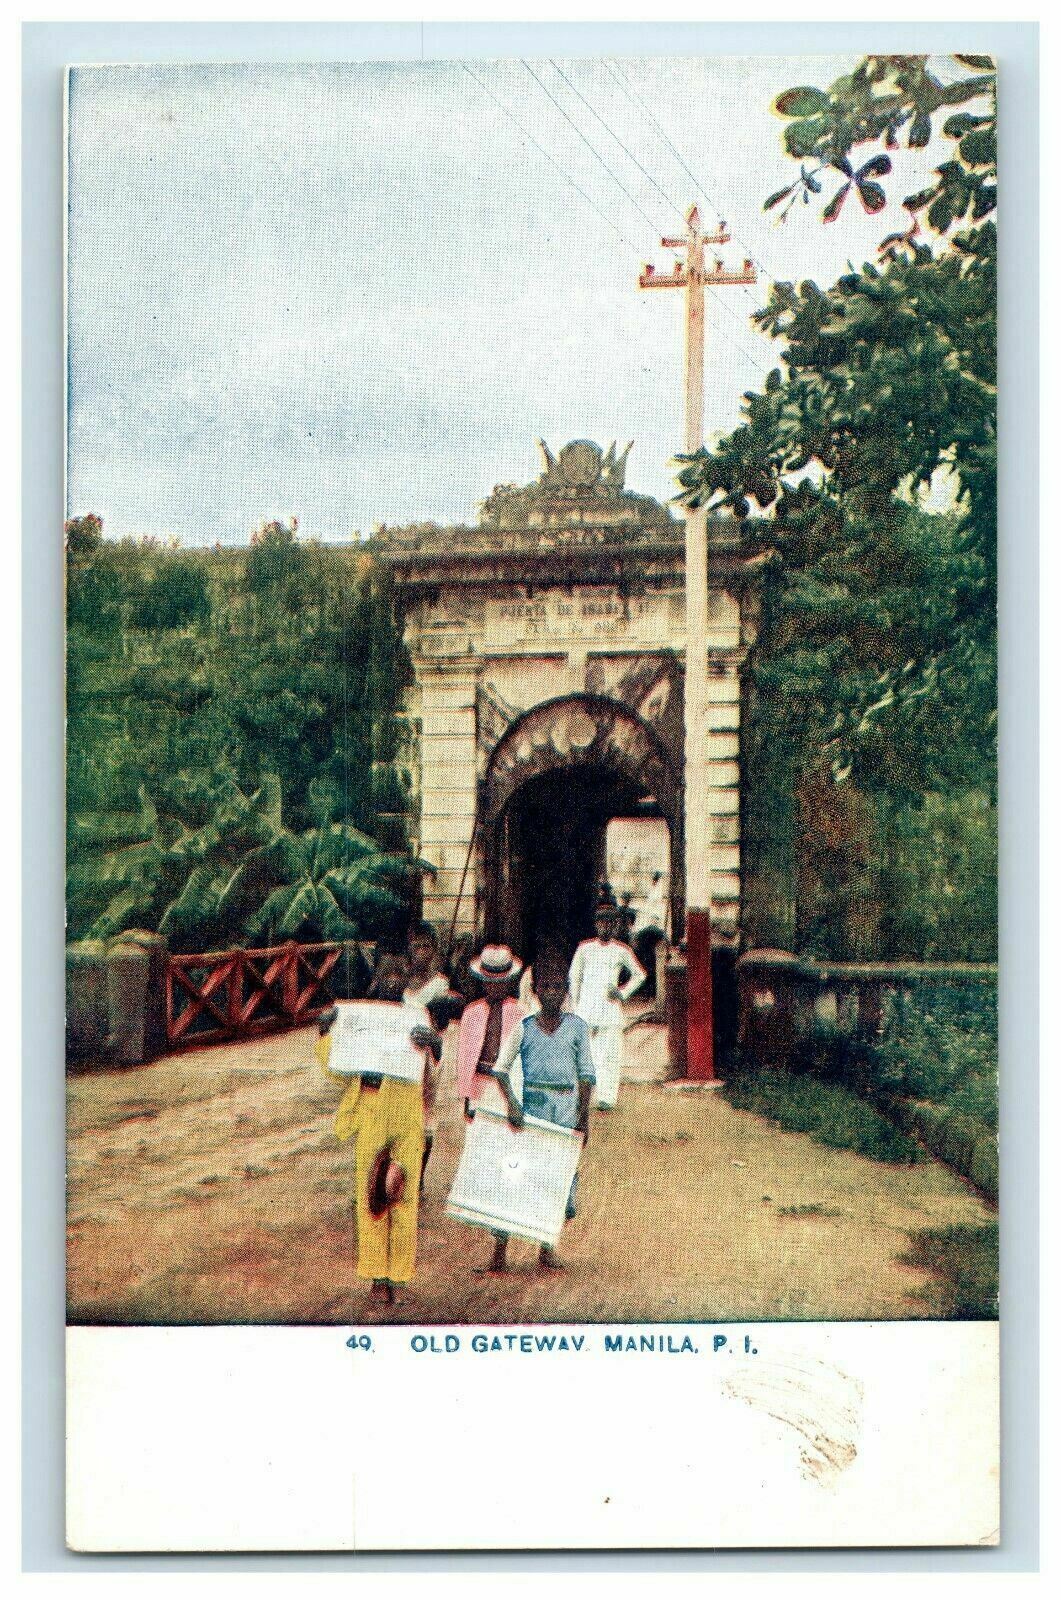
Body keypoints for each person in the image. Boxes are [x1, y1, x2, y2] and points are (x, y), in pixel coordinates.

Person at [316, 954, 443, 1307]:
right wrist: (326, 1029)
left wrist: (435, 1044)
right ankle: (376, 1274)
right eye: (386, 974)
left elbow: (432, 1067)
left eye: (398, 974)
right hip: (371, 1106)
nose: (391, 980)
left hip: (407, 1107)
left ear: (407, 979)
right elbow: (335, 1069)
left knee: (402, 1191)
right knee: (372, 1192)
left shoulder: (417, 1016)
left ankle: (398, 1273)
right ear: (377, 977)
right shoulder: (358, 1017)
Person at [486, 956, 595, 1273]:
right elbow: (501, 1069)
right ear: (535, 991)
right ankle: (499, 1252)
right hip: (532, 1108)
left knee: (558, 1180)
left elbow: (586, 1074)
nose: (551, 993)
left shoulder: (578, 1028)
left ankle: (546, 1249)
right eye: (545, 987)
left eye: (558, 987)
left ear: (565, 991)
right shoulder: (524, 1029)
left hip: (565, 1109)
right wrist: (512, 1105)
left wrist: (582, 1117)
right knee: (515, 1177)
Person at [454, 945, 525, 1272]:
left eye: (500, 981)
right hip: (481, 1089)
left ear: (510, 982)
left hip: (510, 1089)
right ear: (481, 981)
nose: (494, 987)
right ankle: (495, 1245)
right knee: (484, 1168)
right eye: (488, 981)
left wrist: (520, 1101)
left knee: (510, 1168)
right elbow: (464, 1058)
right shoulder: (471, 1013)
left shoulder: (523, 1012)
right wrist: (467, 1098)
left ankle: (503, 1245)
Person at [568, 891, 647, 1110]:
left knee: (610, 1055)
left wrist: (622, 992)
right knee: (584, 1054)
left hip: (610, 1009)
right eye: (602, 922)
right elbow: (574, 978)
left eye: (610, 923)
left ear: (615, 926)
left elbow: (640, 974)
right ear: (596, 925)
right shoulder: (585, 948)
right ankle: (581, 1096)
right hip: (586, 1009)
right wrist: (577, 1006)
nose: (606, 927)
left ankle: (607, 1097)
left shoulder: (621, 951)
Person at [403, 921, 454, 1195]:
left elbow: (443, 1019)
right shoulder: (403, 982)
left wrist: (434, 1039)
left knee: (426, 1110)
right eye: (416, 947)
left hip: (429, 1049)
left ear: (433, 950)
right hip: (403, 1049)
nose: (421, 952)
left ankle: (419, 1176)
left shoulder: (440, 983)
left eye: (426, 947)